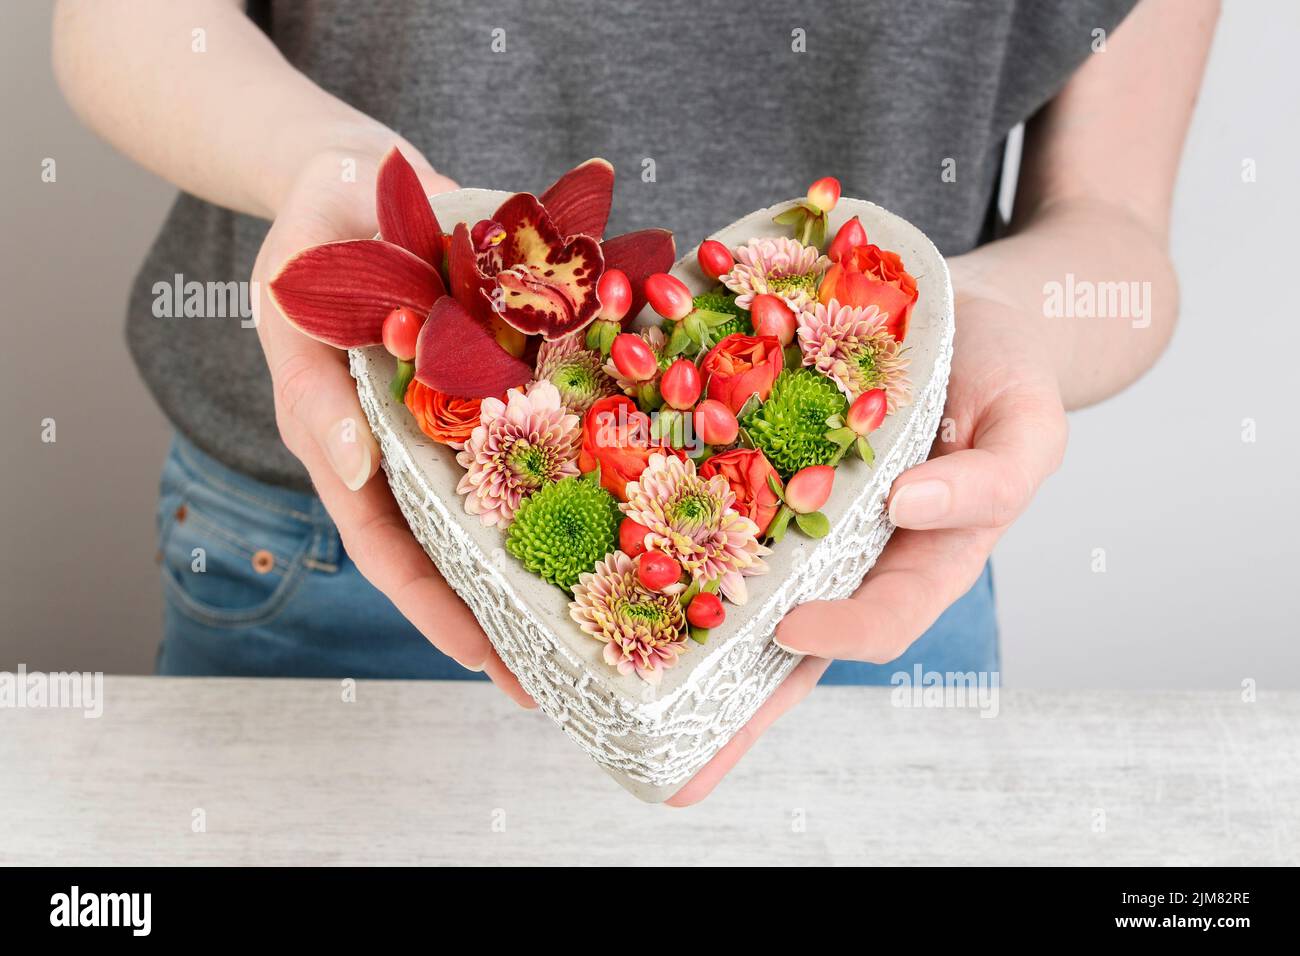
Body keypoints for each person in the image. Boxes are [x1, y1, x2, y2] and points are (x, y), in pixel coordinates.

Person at [52, 0, 1217, 803]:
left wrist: (972, 326)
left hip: (879, 560)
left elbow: (1114, 229)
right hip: (320, 544)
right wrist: (353, 183)